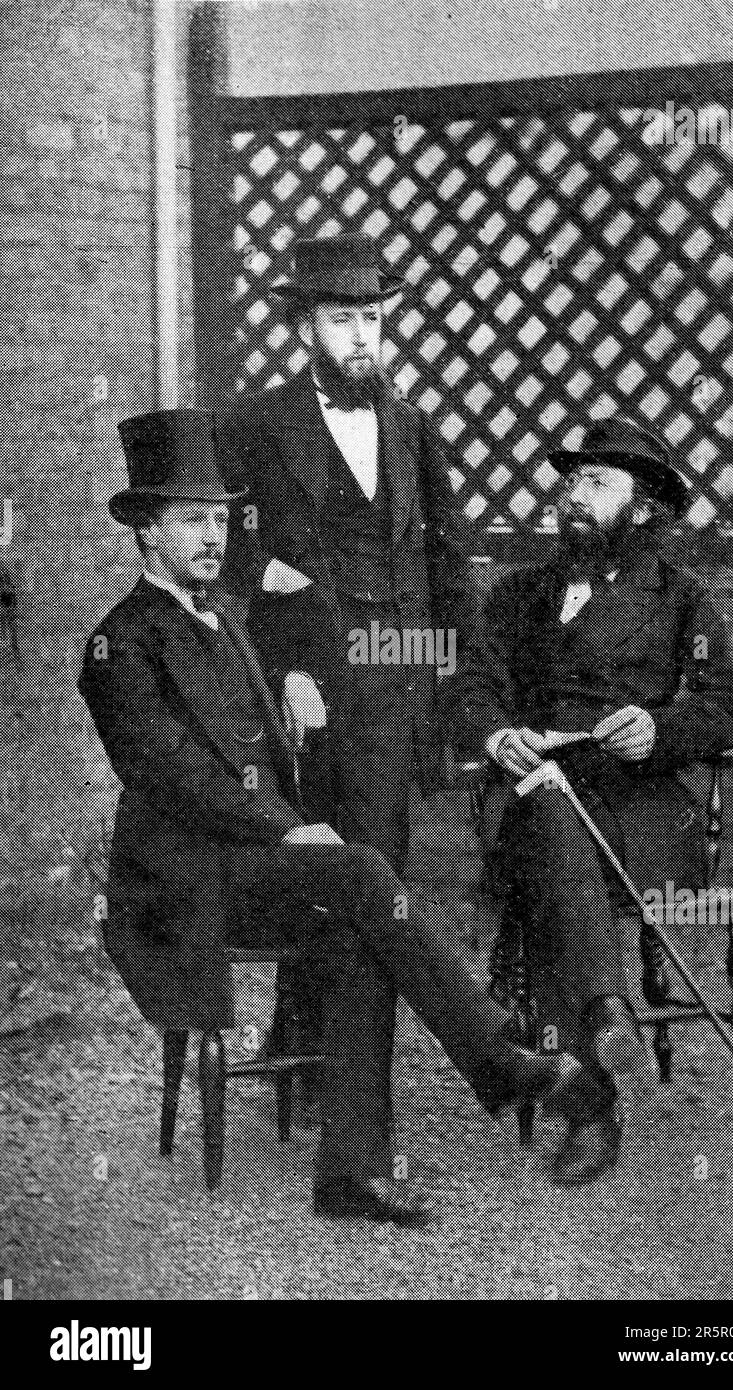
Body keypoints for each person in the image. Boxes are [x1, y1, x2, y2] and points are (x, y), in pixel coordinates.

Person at [79, 407, 590, 1227]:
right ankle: (500, 1061)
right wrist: (284, 826)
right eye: (189, 520)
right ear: (144, 530)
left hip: (244, 868)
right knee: (357, 868)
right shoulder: (120, 644)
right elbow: (171, 776)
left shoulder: (231, 623)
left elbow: (251, 751)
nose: (213, 536)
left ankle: (350, 1173)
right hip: (175, 883)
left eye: (220, 518)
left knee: (361, 919)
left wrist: (289, 699)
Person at [452, 417, 733, 1185]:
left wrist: (659, 726)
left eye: (596, 482)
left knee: (556, 862)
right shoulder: (521, 594)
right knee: (550, 811)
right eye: (571, 480)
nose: (572, 495)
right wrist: (496, 738)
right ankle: (604, 1021)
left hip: (645, 814)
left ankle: (592, 1084)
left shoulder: (678, 599)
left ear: (644, 506)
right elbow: (467, 687)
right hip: (538, 795)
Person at [216, 230, 473, 1126]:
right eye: (340, 318)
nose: (360, 335)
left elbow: (448, 562)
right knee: (325, 860)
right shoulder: (257, 423)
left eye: (370, 317)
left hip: (395, 685)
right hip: (308, 687)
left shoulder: (408, 427)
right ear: (306, 328)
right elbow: (213, 539)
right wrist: (261, 579)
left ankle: (334, 1069)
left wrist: (453, 687)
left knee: (369, 866)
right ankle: (323, 1064)